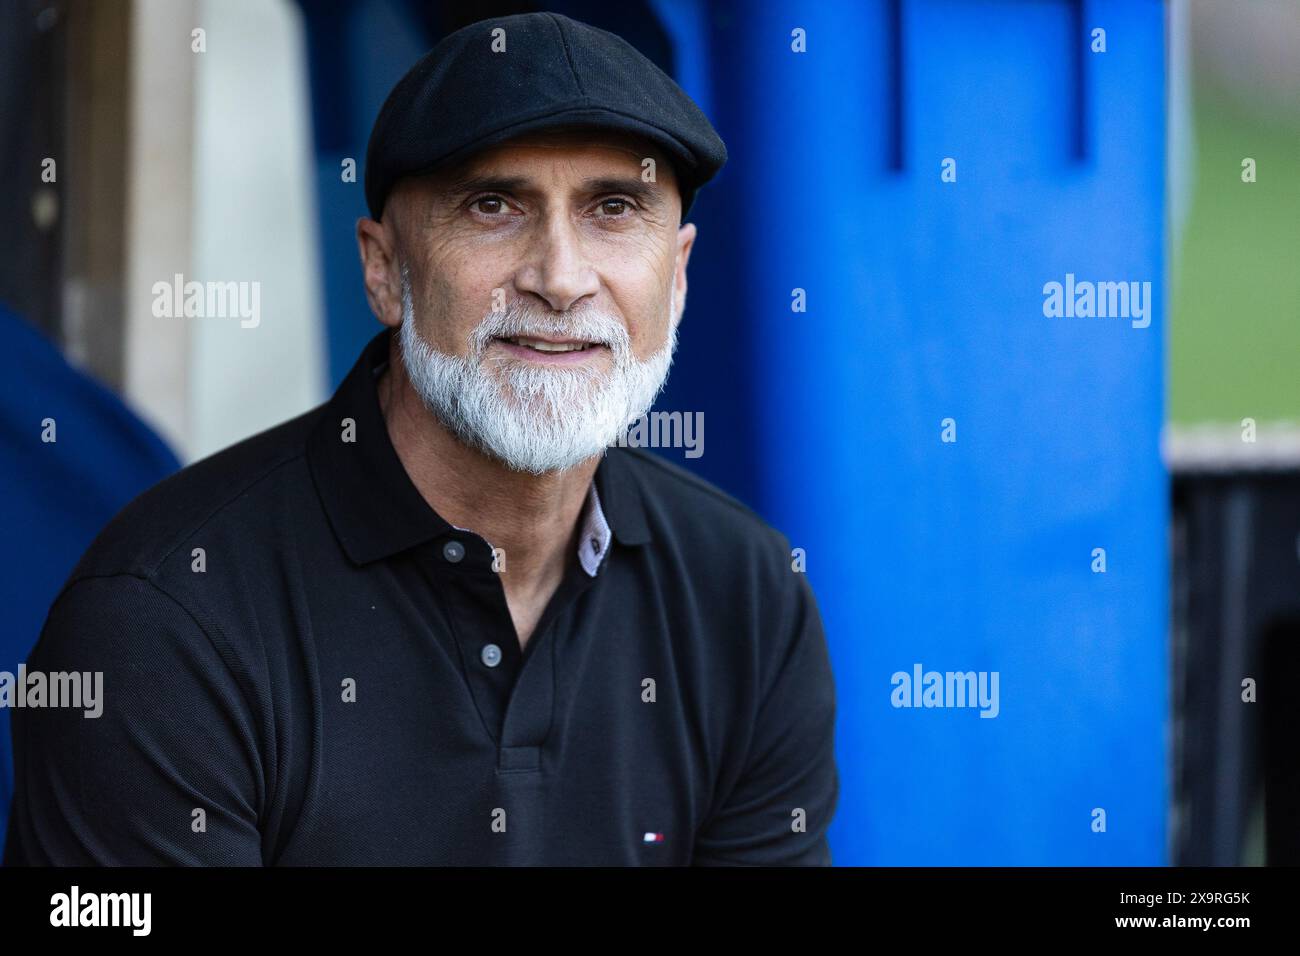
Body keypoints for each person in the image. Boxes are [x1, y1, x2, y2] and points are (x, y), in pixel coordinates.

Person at [4, 11, 837, 866]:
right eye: (492, 205)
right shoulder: (163, 625)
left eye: (614, 208)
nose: (559, 277)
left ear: (680, 274)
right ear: (383, 271)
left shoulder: (748, 596)